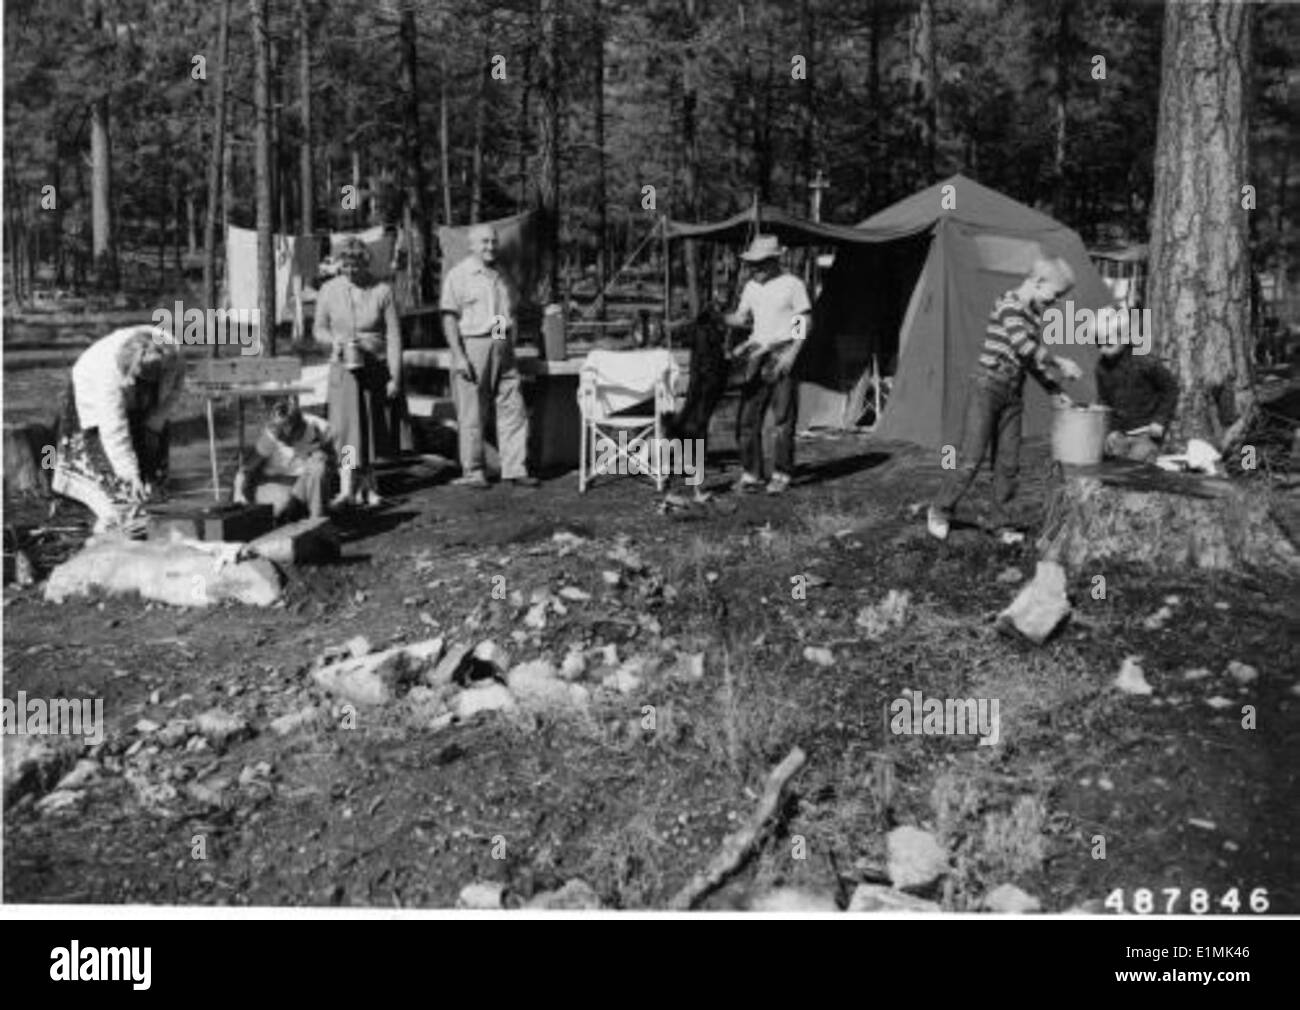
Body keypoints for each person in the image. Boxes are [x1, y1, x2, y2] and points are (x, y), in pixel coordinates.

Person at [927, 255, 1084, 545]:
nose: (1057, 301)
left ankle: (1001, 522)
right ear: (1038, 283)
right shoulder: (1009, 304)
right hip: (986, 386)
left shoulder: (1034, 315)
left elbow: (1030, 362)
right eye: (1056, 294)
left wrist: (1053, 390)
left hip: (1012, 394)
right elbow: (1022, 345)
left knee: (1008, 463)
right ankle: (940, 508)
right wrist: (1059, 362)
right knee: (970, 459)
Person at [51, 325, 185, 534]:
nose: (133, 382)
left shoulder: (173, 357)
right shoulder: (107, 374)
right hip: (95, 395)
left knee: (152, 468)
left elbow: (173, 393)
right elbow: (114, 429)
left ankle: (149, 509)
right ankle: (108, 522)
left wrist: (153, 425)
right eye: (133, 377)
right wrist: (129, 473)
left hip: (146, 395)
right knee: (110, 477)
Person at [440, 222, 537, 488]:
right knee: (472, 412)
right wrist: (459, 356)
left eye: (493, 241)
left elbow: (509, 311)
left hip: (501, 342)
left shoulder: (502, 275)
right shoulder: (459, 276)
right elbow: (449, 318)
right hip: (474, 344)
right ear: (471, 246)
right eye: (484, 242)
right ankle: (474, 471)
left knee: (513, 406)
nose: (490, 247)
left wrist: (507, 342)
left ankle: (515, 468)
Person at [314, 236, 402, 506]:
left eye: (356, 266)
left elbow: (395, 336)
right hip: (344, 371)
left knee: (370, 429)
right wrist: (334, 341)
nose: (350, 271)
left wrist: (395, 376)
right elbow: (318, 329)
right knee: (345, 431)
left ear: (366, 264)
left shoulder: (382, 291)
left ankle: (369, 486)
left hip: (373, 369)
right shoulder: (328, 290)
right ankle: (346, 487)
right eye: (345, 266)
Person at [724, 234, 811, 495]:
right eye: (752, 264)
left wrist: (793, 351)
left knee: (783, 419)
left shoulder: (792, 284)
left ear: (774, 261)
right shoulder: (751, 287)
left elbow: (803, 318)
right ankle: (752, 473)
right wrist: (723, 319)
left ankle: (782, 474)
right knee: (748, 419)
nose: (754, 268)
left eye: (759, 263)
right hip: (756, 353)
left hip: (782, 352)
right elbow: (743, 317)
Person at [1095, 309, 1178, 463]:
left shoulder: (1144, 361)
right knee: (1112, 464)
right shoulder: (1101, 367)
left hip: (1146, 431)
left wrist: (1160, 420)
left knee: (1138, 462)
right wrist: (1109, 430)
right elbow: (1104, 399)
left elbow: (1170, 388)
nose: (1103, 350)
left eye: (1108, 343)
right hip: (1119, 432)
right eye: (1098, 344)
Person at [233, 399, 337, 520]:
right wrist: (241, 491)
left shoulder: (320, 428)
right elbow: (247, 468)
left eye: (286, 436)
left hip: (304, 483)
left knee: (319, 465)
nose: (282, 440)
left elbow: (348, 447)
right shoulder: (271, 435)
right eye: (280, 436)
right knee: (281, 506)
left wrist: (348, 484)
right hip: (274, 482)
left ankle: (317, 520)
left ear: (299, 427)